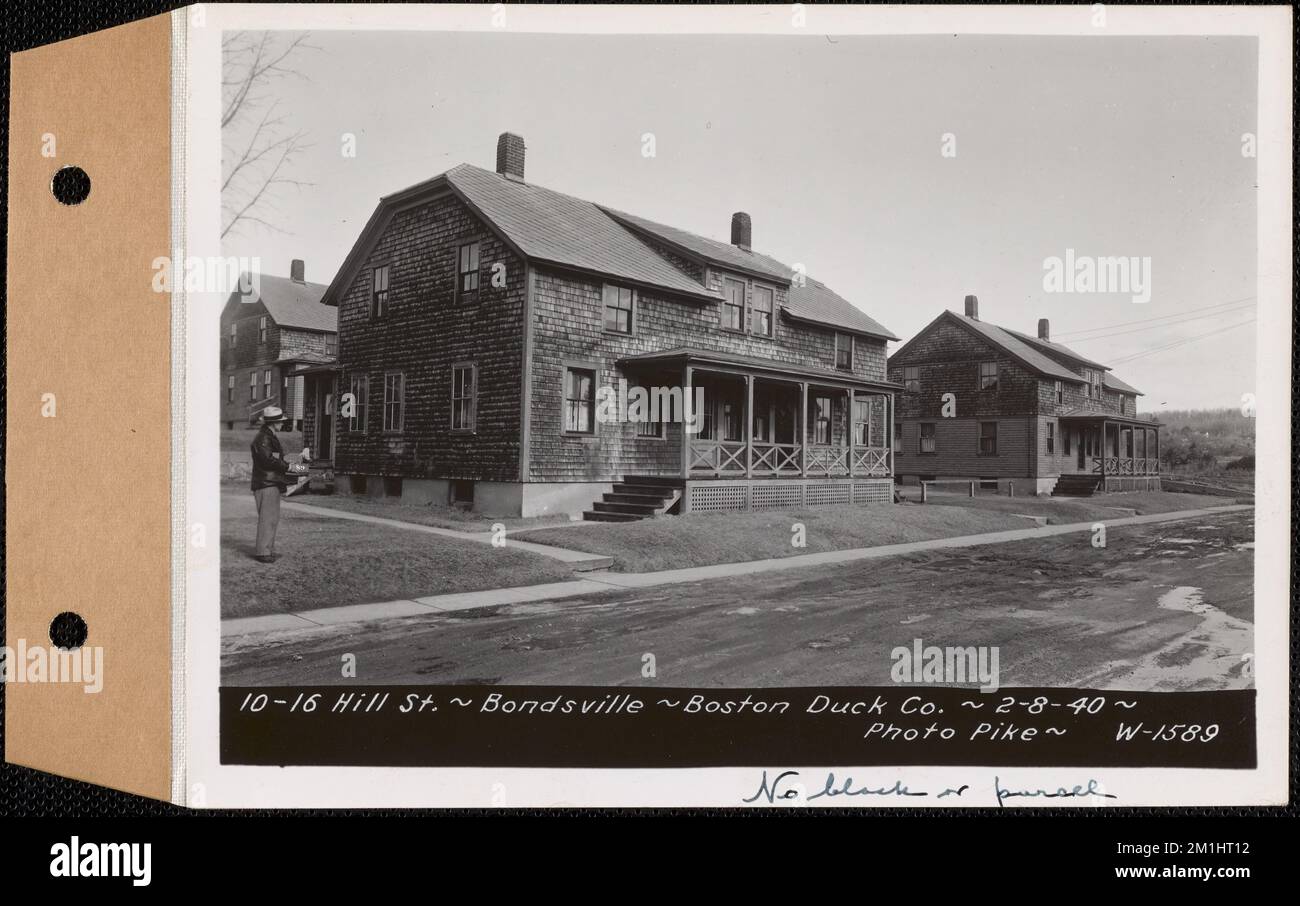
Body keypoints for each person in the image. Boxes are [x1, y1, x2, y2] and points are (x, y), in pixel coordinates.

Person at [250, 407, 303, 562]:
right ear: (273, 423)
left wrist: (297, 465)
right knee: (268, 518)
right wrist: (289, 467)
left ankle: (267, 550)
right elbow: (269, 460)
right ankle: (263, 552)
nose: (282, 424)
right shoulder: (263, 439)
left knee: (272, 518)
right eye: (280, 422)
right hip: (266, 483)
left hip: (269, 483)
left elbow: (276, 459)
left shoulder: (268, 436)